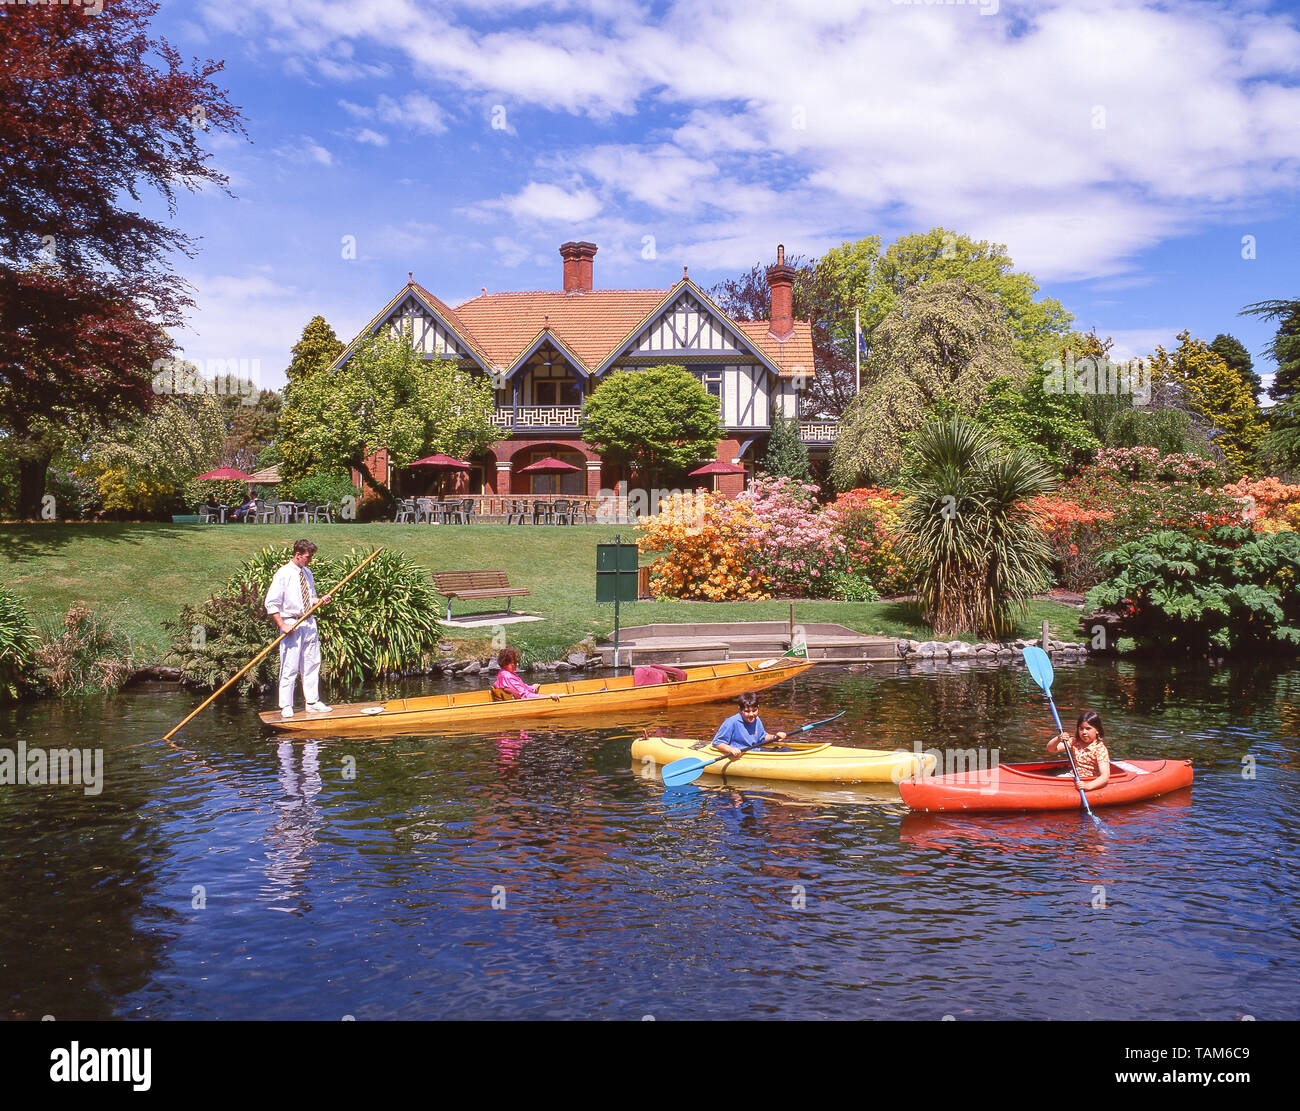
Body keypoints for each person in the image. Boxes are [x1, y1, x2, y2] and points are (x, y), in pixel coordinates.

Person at [264, 539, 333, 719]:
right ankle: (286, 705)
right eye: (308, 557)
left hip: (309, 622)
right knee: (290, 665)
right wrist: (282, 625)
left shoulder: (307, 572)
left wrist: (319, 600)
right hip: (291, 624)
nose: (310, 561)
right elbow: (271, 603)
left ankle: (312, 702)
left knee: (312, 662)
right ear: (298, 555)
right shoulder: (284, 574)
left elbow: (309, 597)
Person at [1047, 709, 1110, 791]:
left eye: (1088, 729)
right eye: (1081, 728)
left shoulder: (1100, 749)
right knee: (1056, 781)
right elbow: (1051, 749)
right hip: (1073, 776)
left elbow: (1105, 776)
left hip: (1089, 780)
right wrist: (1058, 738)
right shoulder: (1074, 741)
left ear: (1097, 730)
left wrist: (1087, 786)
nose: (1084, 732)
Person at [711, 691, 787, 759]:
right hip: (743, 755)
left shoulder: (756, 719)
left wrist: (775, 737)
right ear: (740, 710)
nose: (751, 714)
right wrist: (731, 749)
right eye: (747, 711)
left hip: (756, 751)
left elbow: (762, 737)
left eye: (754, 711)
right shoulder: (732, 722)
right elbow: (717, 742)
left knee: (785, 749)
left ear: (758, 708)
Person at [492, 646, 560, 701]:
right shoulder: (507, 677)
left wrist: (532, 688)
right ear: (504, 663)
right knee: (562, 695)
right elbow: (524, 696)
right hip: (521, 703)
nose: (517, 664)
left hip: (520, 699)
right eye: (514, 663)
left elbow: (521, 687)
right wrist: (547, 697)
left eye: (517, 662)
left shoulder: (505, 672)